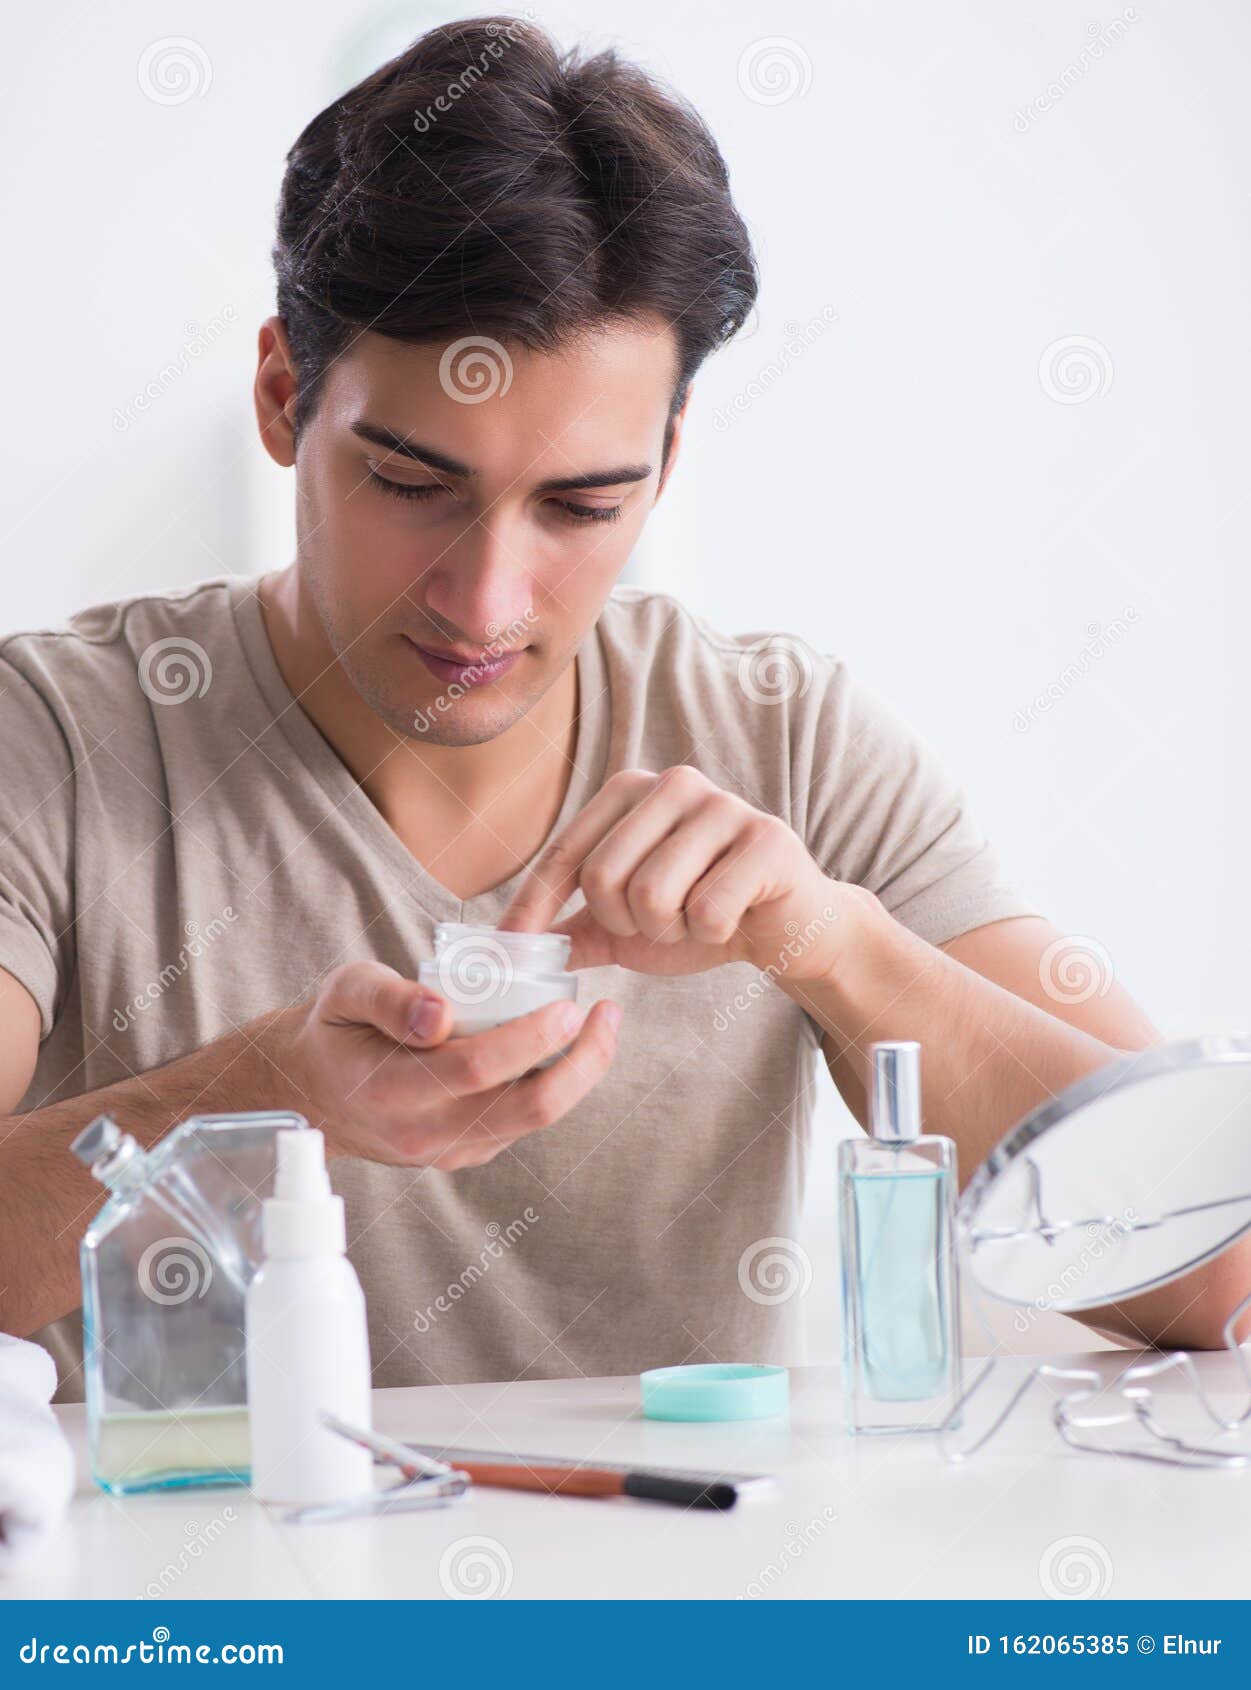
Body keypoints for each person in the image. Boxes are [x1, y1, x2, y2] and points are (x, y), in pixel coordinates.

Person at [0, 18, 1238, 1400]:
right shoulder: (52, 740)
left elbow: (1219, 1271)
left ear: (665, 461)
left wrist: (835, 944)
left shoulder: (789, 745)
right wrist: (256, 1096)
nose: (485, 601)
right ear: (285, 393)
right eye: (414, 484)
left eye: (583, 506)